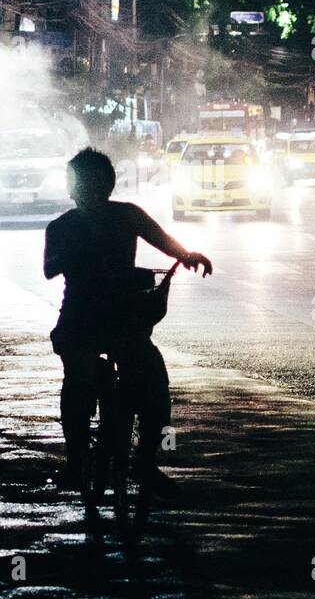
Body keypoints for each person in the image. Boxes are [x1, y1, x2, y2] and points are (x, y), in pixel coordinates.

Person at [43, 148, 212, 493]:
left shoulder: (94, 221)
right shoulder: (77, 224)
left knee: (148, 387)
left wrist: (187, 255)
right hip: (97, 321)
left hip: (103, 321)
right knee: (88, 383)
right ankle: (102, 462)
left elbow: (166, 243)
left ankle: (117, 463)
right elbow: (50, 267)